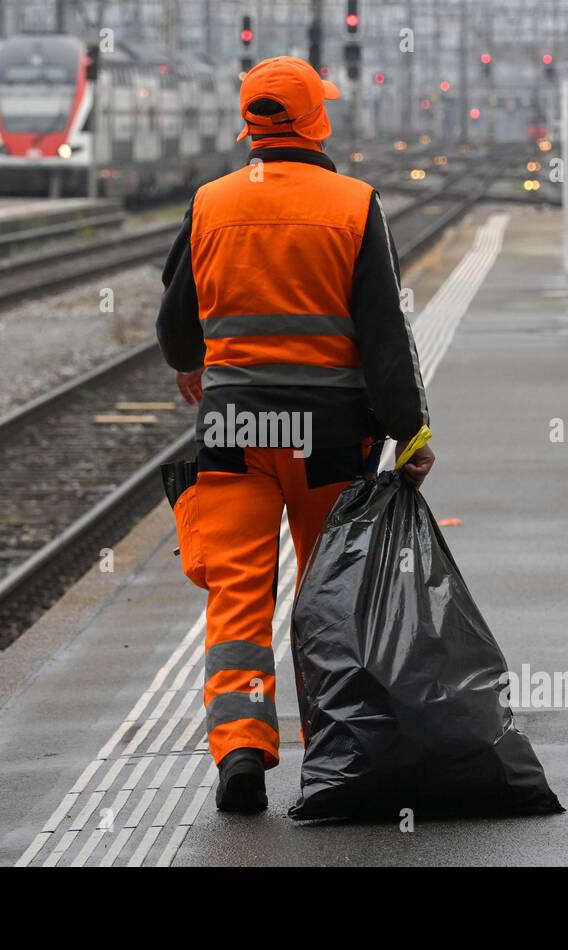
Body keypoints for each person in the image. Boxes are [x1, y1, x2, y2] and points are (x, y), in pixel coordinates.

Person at [156, 55, 435, 812]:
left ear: (250, 121)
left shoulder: (210, 203)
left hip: (236, 433)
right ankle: (337, 753)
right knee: (330, 597)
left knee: (238, 599)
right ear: (316, 119)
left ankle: (241, 750)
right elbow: (384, 336)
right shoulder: (353, 204)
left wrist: (194, 362)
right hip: (330, 439)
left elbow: (176, 325)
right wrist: (410, 437)